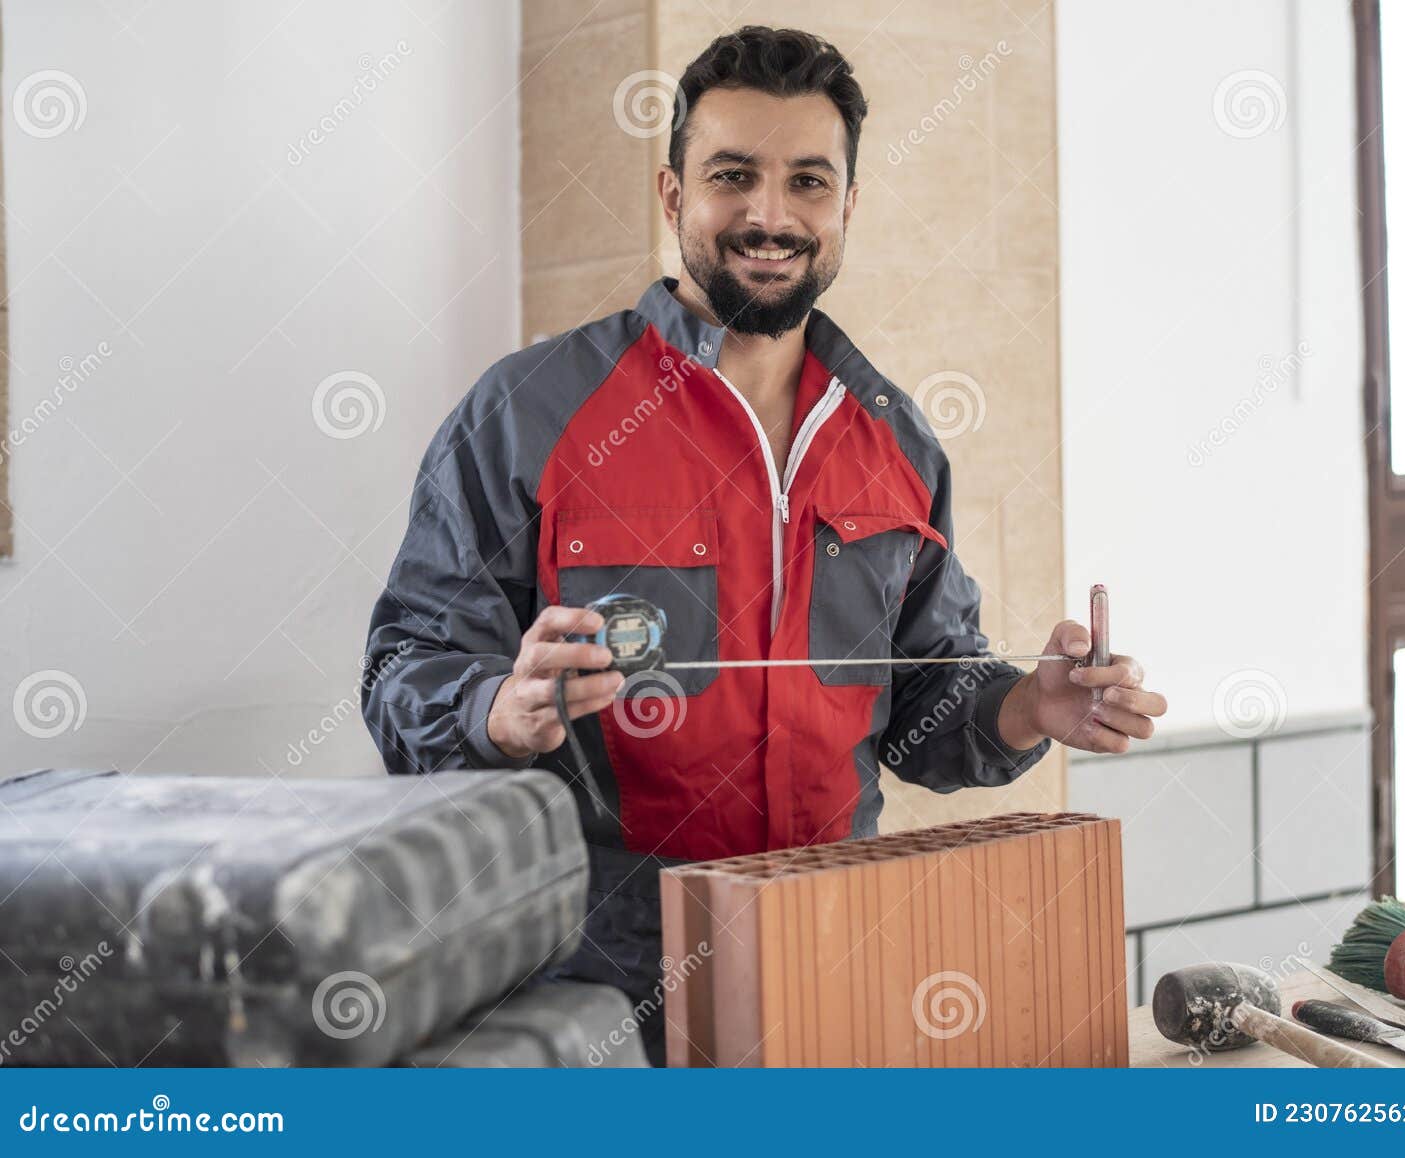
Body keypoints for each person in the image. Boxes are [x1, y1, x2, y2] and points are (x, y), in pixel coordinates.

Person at [361, 25, 1166, 1067]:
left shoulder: (897, 440)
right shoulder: (527, 413)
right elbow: (400, 670)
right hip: (587, 986)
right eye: (732, 176)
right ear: (671, 196)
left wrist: (1028, 708)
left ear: (847, 207)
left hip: (831, 958)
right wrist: (495, 710)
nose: (770, 216)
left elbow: (925, 704)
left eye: (808, 183)